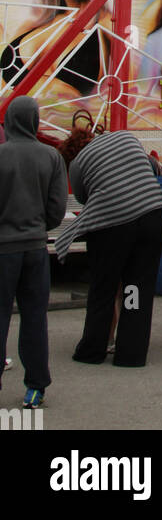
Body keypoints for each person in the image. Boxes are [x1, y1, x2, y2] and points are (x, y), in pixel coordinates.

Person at [54, 126, 162, 368]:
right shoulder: (126, 137)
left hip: (112, 224)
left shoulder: (76, 165)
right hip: (152, 214)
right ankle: (131, 353)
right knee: (136, 287)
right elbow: (151, 168)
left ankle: (93, 350)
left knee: (103, 288)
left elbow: (86, 198)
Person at [0, 96, 68, 409]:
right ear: (35, 121)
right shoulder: (51, 156)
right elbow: (57, 208)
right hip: (36, 248)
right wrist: (39, 226)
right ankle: (36, 387)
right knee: (34, 318)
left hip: (4, 250)